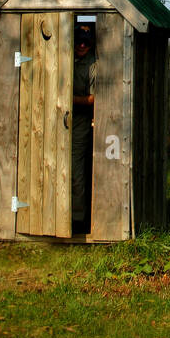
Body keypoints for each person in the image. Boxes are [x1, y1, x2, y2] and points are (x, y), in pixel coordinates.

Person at [71, 20, 96, 235]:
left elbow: (95, 98)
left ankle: (78, 220)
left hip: (80, 123)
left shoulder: (94, 65)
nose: (81, 46)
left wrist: (69, 100)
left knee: (75, 171)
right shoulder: (62, 56)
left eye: (86, 43)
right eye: (78, 41)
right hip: (55, 122)